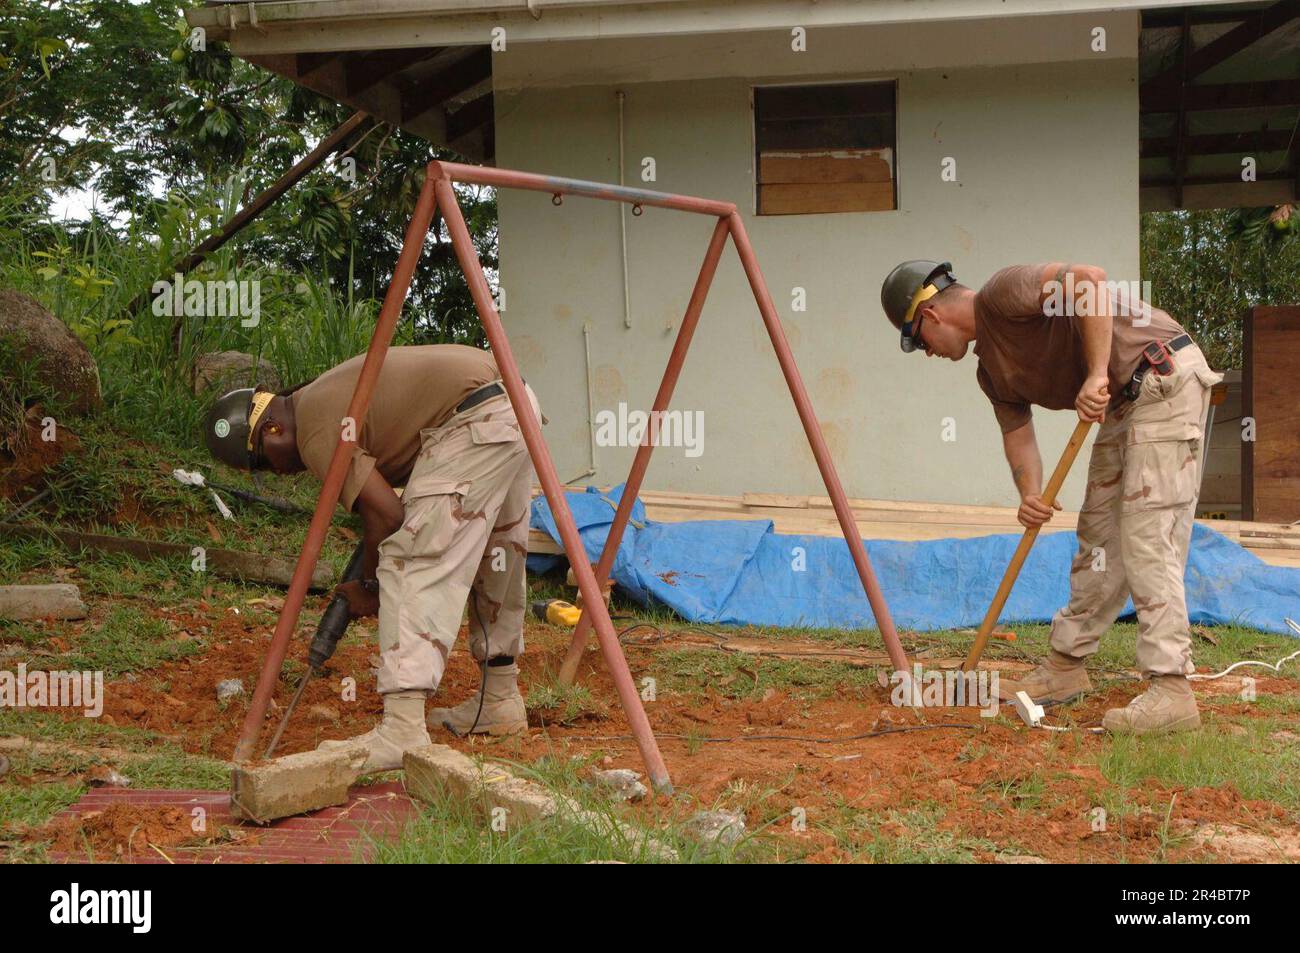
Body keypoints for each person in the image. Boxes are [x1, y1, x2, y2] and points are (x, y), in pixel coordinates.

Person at [880, 260, 1222, 733]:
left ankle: (1172, 691)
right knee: (1099, 540)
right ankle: (1065, 669)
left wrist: (1095, 374)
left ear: (931, 315)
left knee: (1146, 535)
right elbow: (1018, 434)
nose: (925, 352)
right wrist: (1030, 494)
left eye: (917, 340)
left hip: (1162, 375)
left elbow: (1089, 282)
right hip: (1122, 400)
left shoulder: (1002, 293)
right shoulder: (991, 374)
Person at [204, 345, 540, 769]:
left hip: (474, 418)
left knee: (411, 554)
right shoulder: (323, 398)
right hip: (513, 401)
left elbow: (389, 515)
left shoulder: (313, 430)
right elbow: (379, 506)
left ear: (270, 429)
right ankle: (500, 698)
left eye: (264, 464)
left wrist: (370, 587)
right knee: (498, 555)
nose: (279, 473)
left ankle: (402, 729)